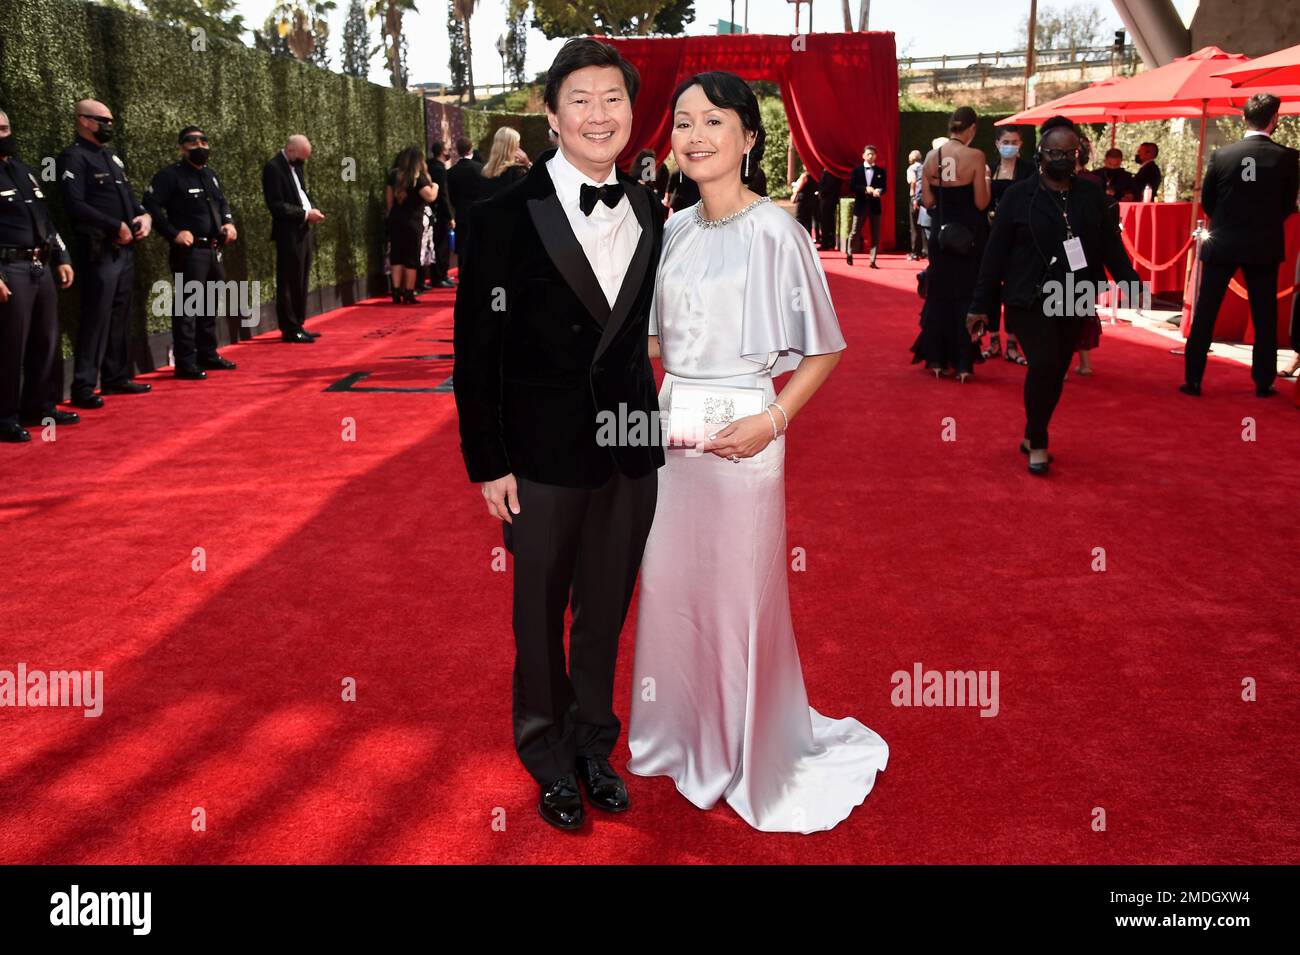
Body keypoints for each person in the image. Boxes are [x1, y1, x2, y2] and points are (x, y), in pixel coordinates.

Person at [628, 71, 887, 834]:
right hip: (673, 435)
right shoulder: (669, 230)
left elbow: (824, 350)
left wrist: (771, 421)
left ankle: (747, 746)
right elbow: (651, 341)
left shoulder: (777, 230)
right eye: (682, 123)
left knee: (738, 596)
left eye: (714, 121)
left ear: (748, 135)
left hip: (746, 437)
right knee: (672, 591)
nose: (696, 135)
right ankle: (676, 736)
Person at [452, 38, 664, 833]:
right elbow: (475, 350)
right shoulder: (500, 214)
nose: (599, 114)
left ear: (630, 113)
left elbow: (639, 331)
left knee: (605, 611)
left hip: (631, 449)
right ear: (550, 113)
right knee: (539, 615)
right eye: (581, 98)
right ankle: (546, 756)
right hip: (537, 456)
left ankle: (593, 745)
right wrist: (489, 460)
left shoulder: (650, 207)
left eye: (614, 98)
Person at [967, 116, 1140, 474]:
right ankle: (1038, 438)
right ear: (1041, 155)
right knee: (1044, 364)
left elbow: (1110, 244)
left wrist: (1130, 282)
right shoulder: (1018, 196)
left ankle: (1033, 434)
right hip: (1027, 295)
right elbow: (994, 254)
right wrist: (981, 305)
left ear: (1078, 155)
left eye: (1068, 152)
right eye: (1054, 152)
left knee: (1057, 368)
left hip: (1073, 293)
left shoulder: (1092, 195)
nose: (1061, 158)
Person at [1182, 93, 1300, 398]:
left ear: (1243, 117)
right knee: (1264, 315)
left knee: (1206, 310)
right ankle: (1264, 382)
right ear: (1274, 119)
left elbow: (1208, 200)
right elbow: (1288, 205)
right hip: (1263, 243)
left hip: (1223, 241)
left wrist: (1227, 220)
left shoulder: (1222, 156)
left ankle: (1193, 379)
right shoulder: (1287, 157)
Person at [58, 99, 153, 409]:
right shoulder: (74, 158)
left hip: (124, 251)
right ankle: (84, 385)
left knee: (120, 316)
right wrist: (114, 226)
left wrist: (144, 217)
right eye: (102, 121)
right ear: (84, 121)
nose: (108, 126)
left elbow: (130, 200)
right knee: (96, 317)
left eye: (110, 121)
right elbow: (75, 206)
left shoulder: (112, 159)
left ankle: (116, 376)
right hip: (99, 250)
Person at [0, 108, 77, 442]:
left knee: (45, 341)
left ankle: (39, 406)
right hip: (8, 267)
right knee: (8, 345)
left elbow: (45, 218)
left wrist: (61, 255)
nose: (3, 134)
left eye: (5, 128)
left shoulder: (21, 170)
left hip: (40, 265)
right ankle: (4, 416)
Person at [144, 125, 239, 379]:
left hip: (213, 249)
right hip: (190, 252)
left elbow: (221, 201)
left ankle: (207, 353)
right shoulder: (169, 176)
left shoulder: (210, 175)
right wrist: (173, 233)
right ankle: (185, 361)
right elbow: (150, 205)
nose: (199, 146)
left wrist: (228, 222)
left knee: (209, 304)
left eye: (203, 142)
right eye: (192, 142)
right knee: (187, 307)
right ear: (181, 147)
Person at [910, 106, 990, 381]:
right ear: (972, 129)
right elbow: (981, 202)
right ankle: (964, 364)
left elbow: (929, 202)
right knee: (966, 298)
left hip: (941, 239)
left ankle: (935, 360)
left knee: (939, 296)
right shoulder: (976, 156)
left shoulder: (933, 156)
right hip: (969, 238)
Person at [262, 135, 324, 343]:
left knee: (301, 278)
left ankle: (298, 323)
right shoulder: (273, 168)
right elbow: (276, 205)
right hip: (288, 232)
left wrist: (312, 209)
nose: (303, 162)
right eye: (301, 157)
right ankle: (289, 327)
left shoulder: (297, 166)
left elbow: (302, 193)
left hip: (303, 229)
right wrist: (305, 214)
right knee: (288, 280)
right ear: (290, 150)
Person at [982, 125, 1035, 364]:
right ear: (997, 143)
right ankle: (993, 341)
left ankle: (1013, 345)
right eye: (1006, 141)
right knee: (991, 289)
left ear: (1021, 144)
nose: (1010, 146)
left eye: (1014, 142)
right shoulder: (988, 169)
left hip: (1018, 237)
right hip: (990, 235)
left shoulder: (1029, 170)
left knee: (1014, 290)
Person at [385, 146, 436, 304]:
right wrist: (436, 186)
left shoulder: (393, 175)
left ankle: (395, 292)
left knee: (397, 256)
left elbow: (389, 202)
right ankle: (408, 292)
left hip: (395, 220)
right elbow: (430, 197)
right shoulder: (418, 178)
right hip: (413, 222)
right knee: (411, 258)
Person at [847, 144, 886, 268]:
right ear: (863, 156)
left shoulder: (881, 171)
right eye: (868, 154)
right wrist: (865, 189)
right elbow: (852, 187)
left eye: (873, 154)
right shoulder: (856, 171)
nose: (871, 156)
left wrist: (879, 191)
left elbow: (884, 187)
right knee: (854, 231)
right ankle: (849, 253)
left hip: (875, 206)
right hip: (860, 205)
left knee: (875, 234)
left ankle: (873, 260)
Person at [446, 136, 483, 265]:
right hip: (478, 213)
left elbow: (450, 195)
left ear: (457, 150)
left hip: (460, 214)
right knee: (478, 246)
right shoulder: (480, 169)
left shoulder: (451, 172)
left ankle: (463, 278)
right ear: (470, 149)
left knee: (462, 248)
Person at [427, 141, 456, 288]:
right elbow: (443, 194)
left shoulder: (430, 165)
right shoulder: (439, 169)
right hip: (439, 213)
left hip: (431, 212)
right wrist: (450, 216)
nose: (450, 151)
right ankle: (440, 277)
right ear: (442, 152)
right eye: (448, 149)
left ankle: (439, 275)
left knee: (437, 245)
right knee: (441, 246)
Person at [478, 127, 529, 201]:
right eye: (517, 142)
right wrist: (527, 164)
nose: (519, 145)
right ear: (512, 146)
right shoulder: (518, 171)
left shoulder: (485, 171)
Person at [905, 149, 926, 260]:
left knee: (914, 225)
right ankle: (925, 251)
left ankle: (914, 252)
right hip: (925, 198)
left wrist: (913, 198)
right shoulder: (925, 167)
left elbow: (913, 183)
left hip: (915, 198)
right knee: (924, 224)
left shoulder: (911, 168)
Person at [815, 167, 843, 251]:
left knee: (826, 222)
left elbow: (829, 186)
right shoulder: (828, 171)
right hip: (827, 199)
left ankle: (826, 243)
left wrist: (821, 192)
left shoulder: (831, 172)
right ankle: (829, 242)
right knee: (828, 222)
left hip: (828, 200)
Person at [791, 169, 817, 236]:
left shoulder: (804, 176)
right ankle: (808, 236)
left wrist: (794, 193)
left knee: (799, 218)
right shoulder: (814, 175)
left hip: (803, 200)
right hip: (811, 199)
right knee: (808, 220)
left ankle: (799, 236)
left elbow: (799, 188)